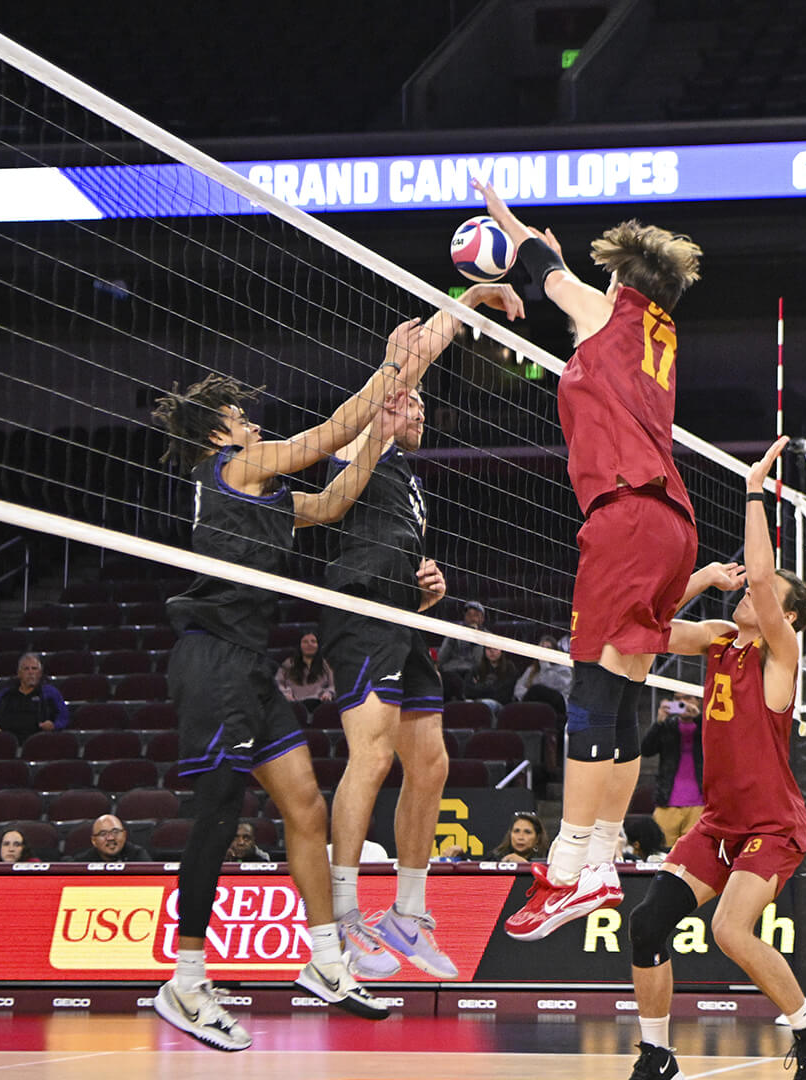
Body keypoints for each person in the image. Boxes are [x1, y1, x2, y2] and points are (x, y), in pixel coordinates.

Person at [146, 308, 462, 1048]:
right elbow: (323, 439)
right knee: (219, 818)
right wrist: (390, 370)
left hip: (251, 665)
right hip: (213, 657)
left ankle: (325, 959)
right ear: (217, 436)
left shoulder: (253, 490)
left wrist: (379, 434)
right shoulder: (230, 467)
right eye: (240, 419)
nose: (252, 425)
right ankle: (186, 981)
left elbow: (332, 501)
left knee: (306, 808)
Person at [476, 178, 707, 942]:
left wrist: (511, 227)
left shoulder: (612, 310)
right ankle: (604, 858)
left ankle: (569, 865)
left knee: (592, 693)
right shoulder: (655, 332)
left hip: (627, 515)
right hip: (671, 521)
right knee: (628, 692)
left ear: (618, 281)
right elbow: (579, 312)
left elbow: (546, 274)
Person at [623, 436, 806, 1080]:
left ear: (791, 616)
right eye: (750, 584)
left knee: (729, 930)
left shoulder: (782, 655)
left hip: (772, 826)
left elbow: (767, 587)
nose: (751, 587)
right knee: (646, 924)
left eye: (767, 589)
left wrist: (754, 491)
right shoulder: (721, 640)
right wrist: (703, 578)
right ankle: (659, 1054)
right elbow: (652, 623)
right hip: (719, 823)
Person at [318, 290, 520, 987]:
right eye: (407, 401)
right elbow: (407, 368)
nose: (418, 410)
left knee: (428, 765)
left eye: (420, 407)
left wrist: (426, 581)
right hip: (357, 611)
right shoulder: (352, 433)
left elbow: (398, 551)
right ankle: (342, 915)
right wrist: (468, 300)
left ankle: (407, 911)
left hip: (403, 615)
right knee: (370, 760)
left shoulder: (412, 483)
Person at [640, 693, 706, 849]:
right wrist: (659, 721)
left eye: (688, 698)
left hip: (700, 803)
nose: (683, 703)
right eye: (678, 699)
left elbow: (721, 744)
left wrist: (698, 718)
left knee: (694, 852)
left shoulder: (707, 726)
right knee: (662, 851)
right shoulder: (667, 727)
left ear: (699, 701)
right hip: (667, 802)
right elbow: (646, 749)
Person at [0, 653, 70, 740]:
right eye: (26, 669)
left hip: (41, 740)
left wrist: (54, 726)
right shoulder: (5, 694)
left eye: (34, 669)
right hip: (7, 740)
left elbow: (63, 716)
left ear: (40, 673)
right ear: (19, 673)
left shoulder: (51, 692)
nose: (31, 672)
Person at [435, 601, 487, 687]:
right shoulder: (455, 633)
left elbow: (479, 662)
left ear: (482, 619)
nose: (472, 618)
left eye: (476, 615)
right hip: (451, 671)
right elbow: (441, 657)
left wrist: (476, 637)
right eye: (469, 615)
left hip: (472, 674)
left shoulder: (488, 637)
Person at [275, 631, 335, 704]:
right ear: (299, 646)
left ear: (318, 645)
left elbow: (333, 685)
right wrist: (285, 693)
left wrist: (329, 693)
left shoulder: (325, 664)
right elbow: (278, 683)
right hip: (294, 704)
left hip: (319, 703)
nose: (309, 644)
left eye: (313, 641)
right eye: (305, 642)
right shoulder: (288, 663)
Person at [515, 633, 574, 707]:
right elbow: (518, 688)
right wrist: (531, 696)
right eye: (542, 647)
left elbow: (549, 685)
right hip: (533, 706)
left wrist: (544, 664)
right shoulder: (531, 669)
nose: (544, 651)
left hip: (555, 707)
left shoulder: (564, 670)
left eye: (548, 648)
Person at [71, 815, 150, 863]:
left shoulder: (138, 856)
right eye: (103, 834)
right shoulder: (82, 863)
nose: (110, 838)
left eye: (115, 832)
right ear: (94, 841)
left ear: (124, 835)